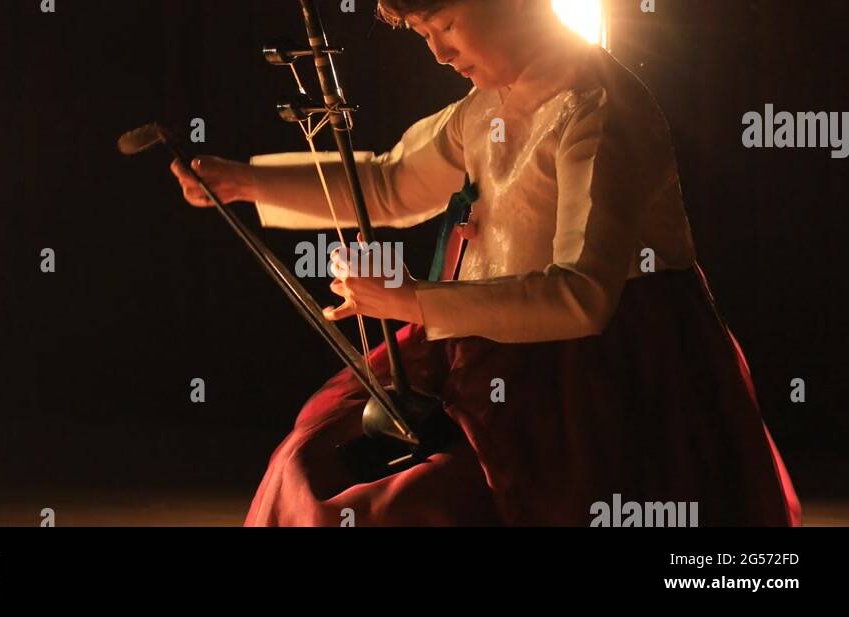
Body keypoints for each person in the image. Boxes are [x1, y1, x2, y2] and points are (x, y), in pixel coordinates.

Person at [171, 0, 801, 526]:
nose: (440, 53)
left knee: (414, 508)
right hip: (483, 340)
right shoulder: (484, 106)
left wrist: (411, 300)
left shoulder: (599, 110)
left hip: (599, 372)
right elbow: (388, 185)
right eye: (424, 35)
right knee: (312, 464)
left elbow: (581, 296)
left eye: (445, 24)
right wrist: (245, 182)